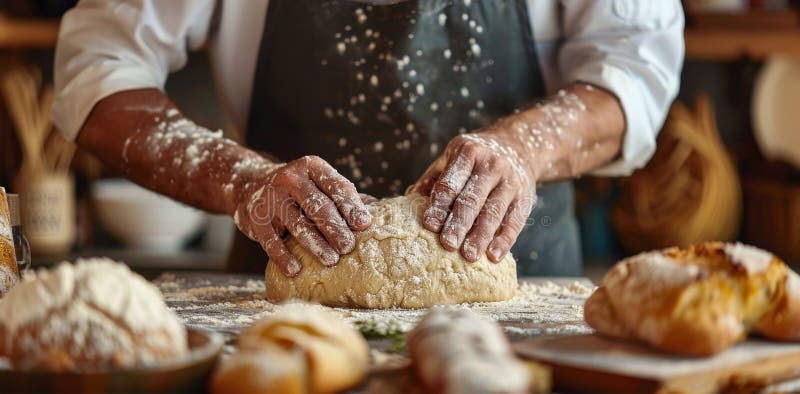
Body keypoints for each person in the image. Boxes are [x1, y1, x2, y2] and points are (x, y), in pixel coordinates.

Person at [52, 0, 684, 277]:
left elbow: (635, 69)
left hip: (525, 321)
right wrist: (241, 179)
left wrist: (524, 146)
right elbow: (97, 68)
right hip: (285, 318)